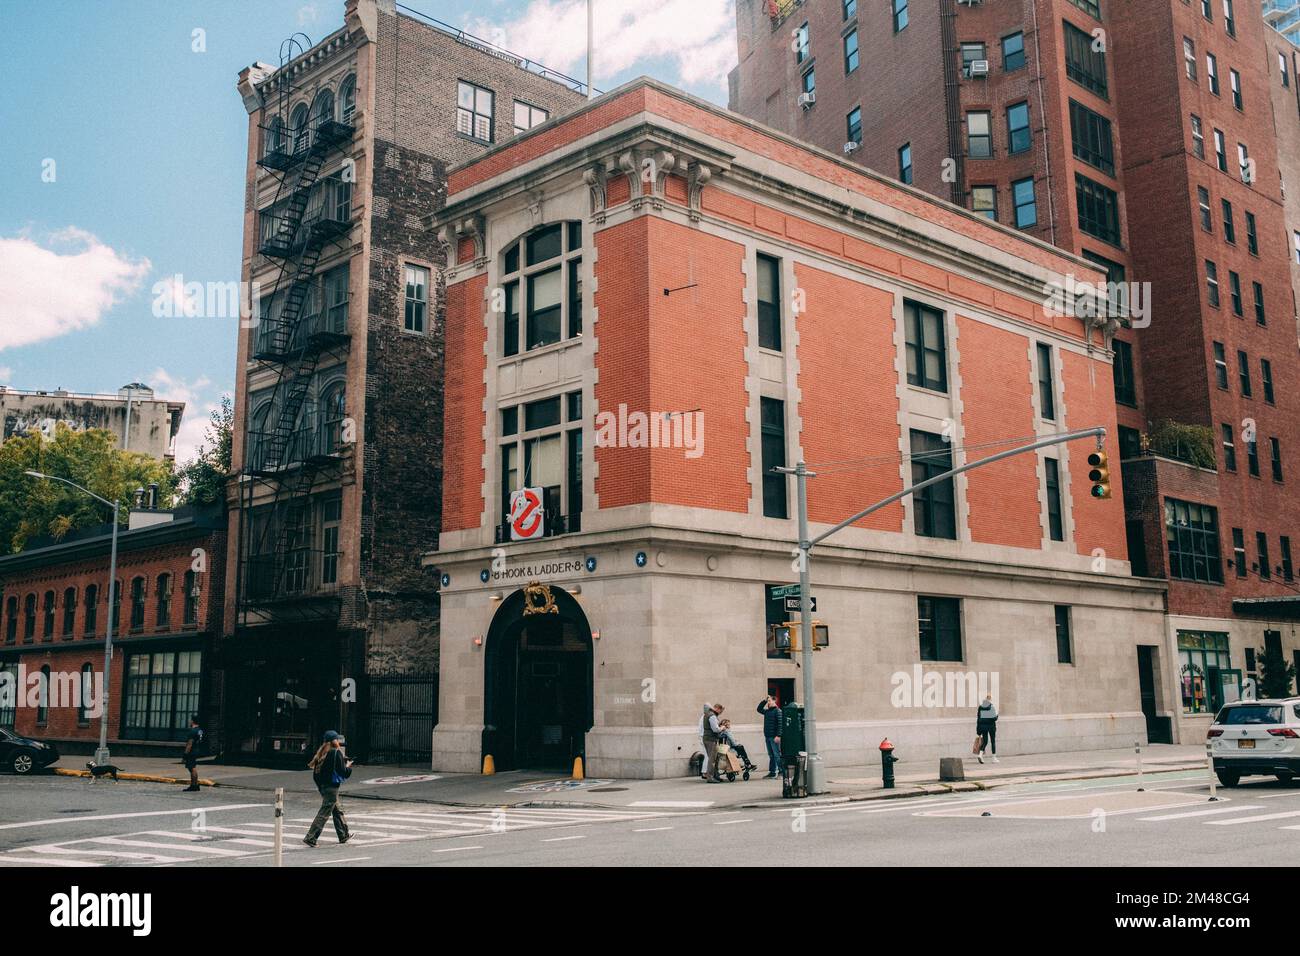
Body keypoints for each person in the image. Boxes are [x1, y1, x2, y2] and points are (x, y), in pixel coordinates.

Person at [304, 730, 353, 847]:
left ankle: (343, 835)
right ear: (334, 741)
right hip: (332, 788)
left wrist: (321, 787)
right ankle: (311, 837)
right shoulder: (336, 753)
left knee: (336, 810)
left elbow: (315, 775)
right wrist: (348, 766)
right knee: (325, 812)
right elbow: (344, 772)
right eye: (337, 739)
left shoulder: (321, 754)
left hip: (324, 787)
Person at [757, 695, 782, 779]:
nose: (768, 702)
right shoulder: (767, 711)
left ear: (775, 701)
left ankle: (781, 772)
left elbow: (780, 724)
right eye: (768, 701)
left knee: (777, 755)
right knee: (771, 755)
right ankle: (772, 772)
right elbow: (759, 709)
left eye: (770, 701)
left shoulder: (778, 711)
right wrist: (764, 700)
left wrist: (778, 736)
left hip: (774, 737)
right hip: (767, 736)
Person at [701, 703, 725, 783]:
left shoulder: (707, 714)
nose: (720, 713)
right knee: (712, 759)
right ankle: (710, 777)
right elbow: (715, 729)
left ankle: (715, 776)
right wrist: (722, 728)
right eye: (721, 711)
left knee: (713, 758)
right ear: (717, 709)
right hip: (711, 740)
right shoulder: (712, 716)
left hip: (708, 739)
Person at [182, 715, 203, 792]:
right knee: (193, 767)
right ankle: (195, 784)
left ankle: (193, 785)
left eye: (190, 720)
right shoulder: (200, 730)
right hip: (197, 749)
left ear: (192, 721)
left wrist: (185, 754)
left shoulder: (192, 731)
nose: (189, 721)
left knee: (191, 768)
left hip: (192, 751)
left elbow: (189, 744)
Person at [976, 694, 999, 764]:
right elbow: (994, 718)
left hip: (983, 727)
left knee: (985, 741)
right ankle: (994, 758)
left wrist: (978, 730)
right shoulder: (991, 707)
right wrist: (997, 716)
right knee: (993, 741)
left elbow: (979, 719)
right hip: (991, 727)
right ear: (990, 700)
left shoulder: (980, 707)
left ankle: (980, 754)